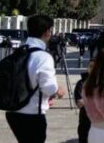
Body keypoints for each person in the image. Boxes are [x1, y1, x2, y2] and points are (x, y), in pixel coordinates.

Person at [5, 14, 66, 143]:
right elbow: (49, 88)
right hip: (32, 114)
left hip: (13, 112)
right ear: (47, 33)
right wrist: (58, 91)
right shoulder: (43, 57)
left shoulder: (19, 51)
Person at [74, 60, 93, 143]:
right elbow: (79, 103)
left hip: (101, 125)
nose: (93, 69)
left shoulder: (103, 83)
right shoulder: (81, 83)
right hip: (85, 122)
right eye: (91, 66)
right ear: (88, 68)